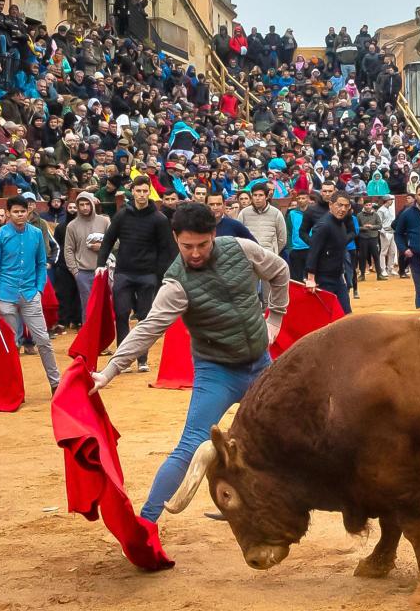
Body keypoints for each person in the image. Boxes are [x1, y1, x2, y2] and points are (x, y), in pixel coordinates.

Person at [90, 203, 290, 525]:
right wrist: (110, 370)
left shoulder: (242, 249)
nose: (194, 253)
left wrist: (275, 318)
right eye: (186, 246)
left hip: (260, 366)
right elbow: (148, 327)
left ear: (214, 234)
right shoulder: (176, 285)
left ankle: (257, 501)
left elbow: (279, 271)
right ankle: (146, 523)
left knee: (283, 435)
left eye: (202, 244)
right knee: (190, 446)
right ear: (175, 238)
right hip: (218, 372)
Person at [97, 179, 177, 358]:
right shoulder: (121, 216)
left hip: (148, 275)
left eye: (145, 191)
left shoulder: (159, 219)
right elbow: (108, 241)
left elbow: (168, 249)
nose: (142, 194)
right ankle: (122, 356)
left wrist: (165, 274)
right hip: (123, 272)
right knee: (121, 313)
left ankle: (142, 358)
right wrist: (100, 265)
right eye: (138, 191)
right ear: (132, 192)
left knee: (144, 317)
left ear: (149, 193)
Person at [0, 194, 59, 392]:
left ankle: (56, 383)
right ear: (9, 213)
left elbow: (40, 264)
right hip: (5, 295)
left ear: (28, 212)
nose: (20, 215)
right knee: (11, 343)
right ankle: (11, 386)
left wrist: (38, 289)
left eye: (23, 211)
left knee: (43, 340)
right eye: (15, 212)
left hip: (29, 294)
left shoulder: (36, 233)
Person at [305, 192, 355, 313]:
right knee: (326, 316)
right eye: (339, 205)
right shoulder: (323, 225)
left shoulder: (341, 223)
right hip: (323, 280)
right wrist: (311, 278)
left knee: (346, 314)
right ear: (331, 205)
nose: (342, 209)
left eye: (346, 206)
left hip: (337, 276)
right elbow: (313, 251)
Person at [392, 182, 420, 308]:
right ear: (416, 196)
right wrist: (404, 249)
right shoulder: (407, 213)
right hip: (415, 258)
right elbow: (398, 234)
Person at [63, 192, 109, 312]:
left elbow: (116, 242)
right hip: (83, 272)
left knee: (105, 305)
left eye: (87, 204)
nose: (85, 207)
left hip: (103, 270)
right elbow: (68, 250)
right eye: (81, 204)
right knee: (88, 307)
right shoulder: (72, 226)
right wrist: (75, 271)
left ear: (92, 204)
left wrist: (102, 247)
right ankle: (89, 331)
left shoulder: (104, 221)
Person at [235, 182, 288, 258]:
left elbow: (282, 239)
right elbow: (238, 236)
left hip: (269, 257)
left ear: (266, 197)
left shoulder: (276, 213)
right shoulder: (244, 213)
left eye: (260, 195)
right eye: (255, 195)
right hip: (249, 257)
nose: (257, 198)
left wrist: (274, 252)